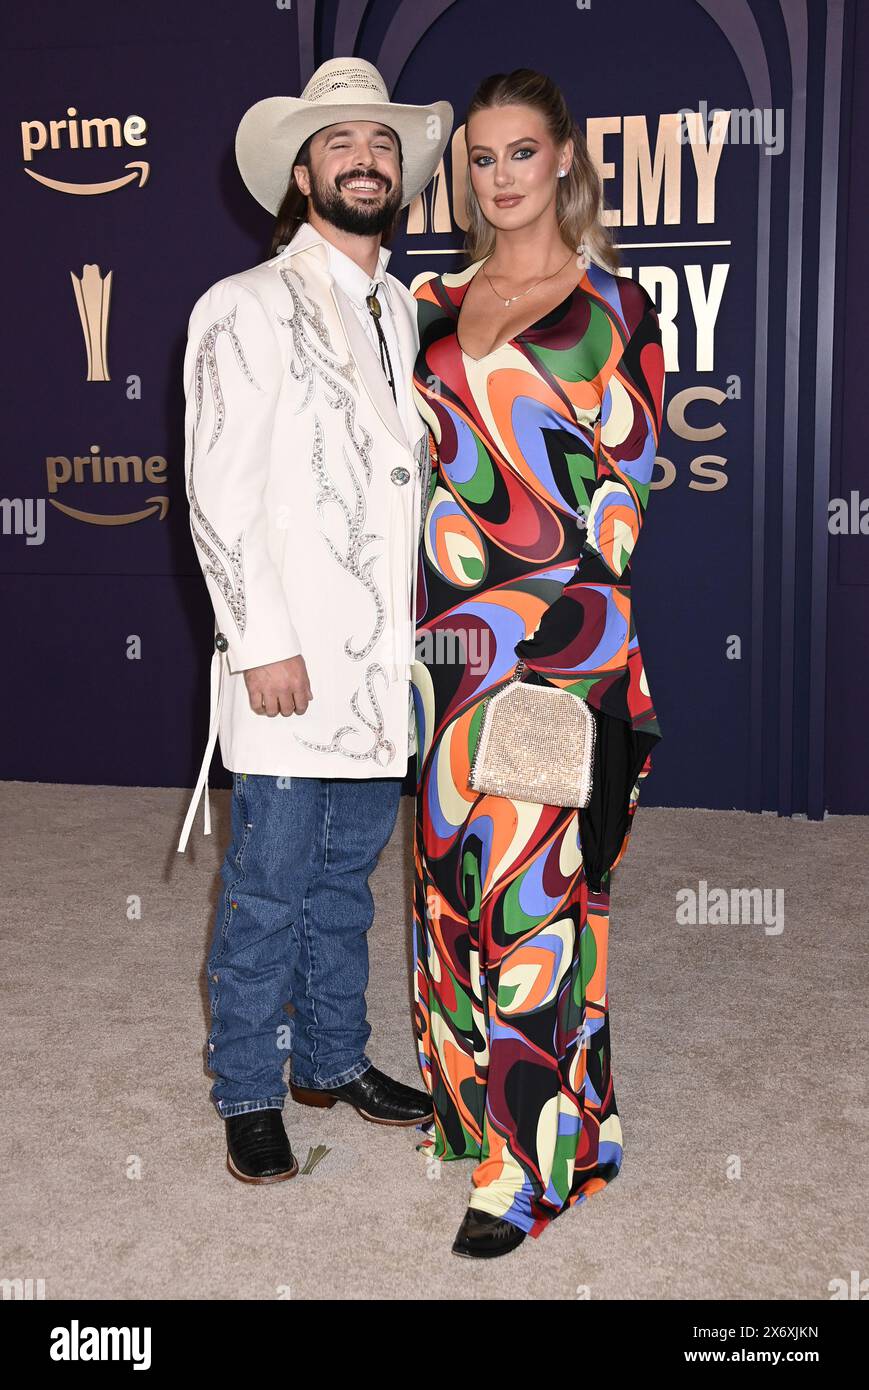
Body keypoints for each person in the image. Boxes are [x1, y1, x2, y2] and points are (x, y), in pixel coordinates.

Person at [178, 58, 453, 1184]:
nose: (364, 159)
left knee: (345, 882)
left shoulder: (398, 305)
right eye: (339, 143)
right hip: (290, 663)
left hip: (381, 663)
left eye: (383, 145)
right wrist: (261, 641)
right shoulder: (241, 305)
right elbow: (218, 491)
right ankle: (249, 1083)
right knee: (267, 887)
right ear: (302, 173)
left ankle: (331, 1058)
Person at [410, 68, 665, 1256]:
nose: (500, 175)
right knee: (459, 892)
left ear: (563, 158)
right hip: (446, 642)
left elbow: (623, 506)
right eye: (480, 156)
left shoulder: (613, 307)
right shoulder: (427, 302)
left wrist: (577, 672)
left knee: (534, 898)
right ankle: (571, 1116)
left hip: (559, 643)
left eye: (520, 152)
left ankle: (519, 1165)